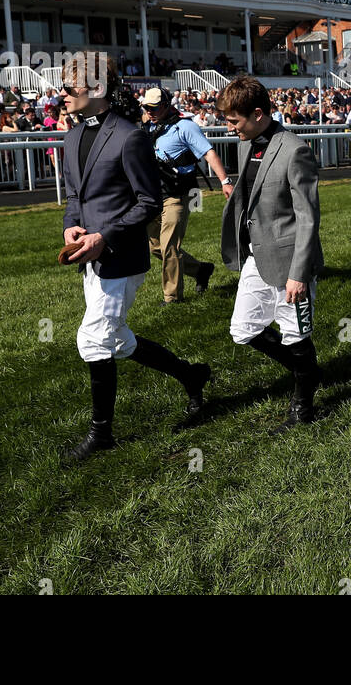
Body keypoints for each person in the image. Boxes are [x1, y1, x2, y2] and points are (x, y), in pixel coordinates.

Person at [58, 53, 211, 464]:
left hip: (122, 256)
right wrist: (72, 226)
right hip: (88, 257)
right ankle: (191, 374)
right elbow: (76, 197)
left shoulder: (130, 136)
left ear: (97, 90)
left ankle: (101, 435)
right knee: (117, 340)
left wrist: (104, 235)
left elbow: (149, 202)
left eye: (69, 86)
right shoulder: (72, 137)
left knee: (92, 340)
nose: (62, 94)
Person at [219, 77, 324, 431]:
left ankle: (302, 407)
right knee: (243, 330)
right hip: (255, 257)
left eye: (234, 121)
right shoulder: (246, 144)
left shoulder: (294, 149)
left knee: (297, 334)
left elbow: (308, 217)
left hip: (289, 262)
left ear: (258, 114)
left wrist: (299, 272)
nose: (229, 128)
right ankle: (305, 371)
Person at [140, 87, 232, 305]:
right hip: (153, 195)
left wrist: (225, 181)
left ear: (166, 105)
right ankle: (201, 269)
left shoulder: (185, 126)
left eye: (153, 108)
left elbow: (208, 152)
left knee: (170, 245)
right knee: (156, 247)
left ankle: (172, 298)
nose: (149, 112)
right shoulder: (146, 127)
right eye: (146, 107)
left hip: (179, 194)